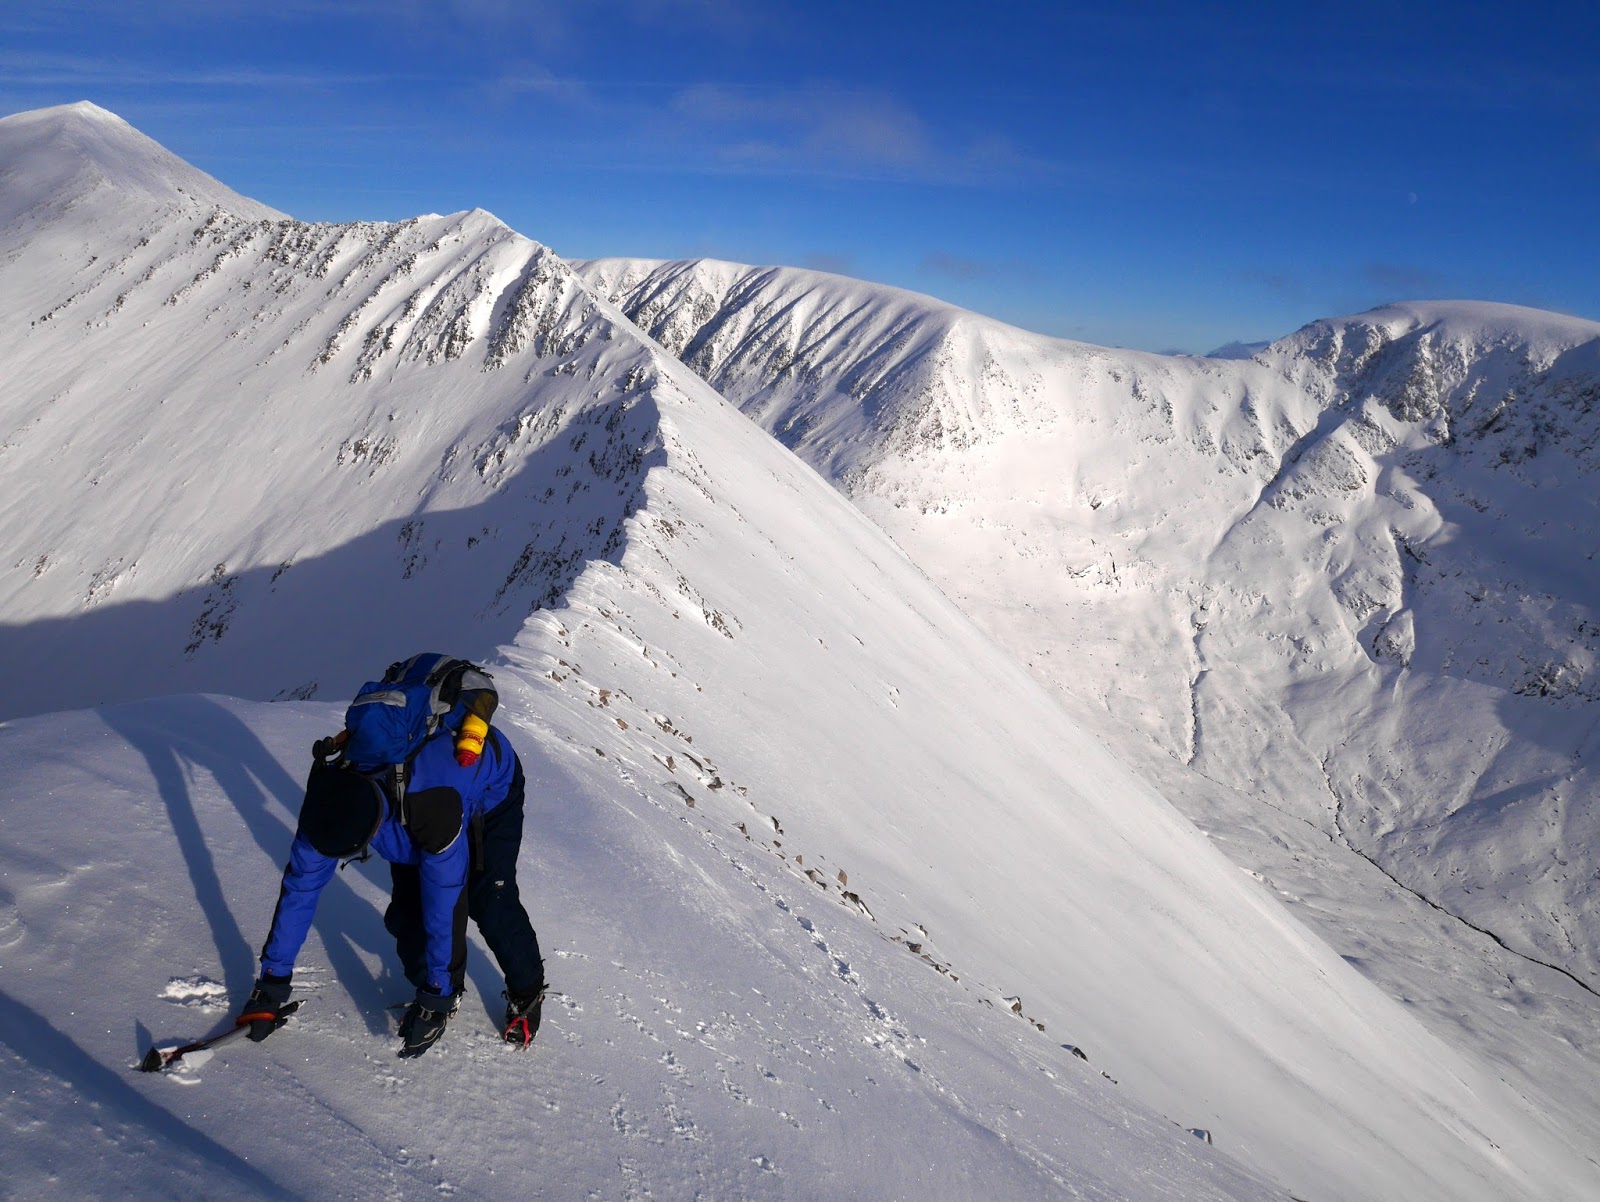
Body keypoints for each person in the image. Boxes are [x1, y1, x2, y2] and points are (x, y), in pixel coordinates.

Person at [236, 655, 547, 1058]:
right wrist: (271, 984)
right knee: (406, 914)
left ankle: (527, 992)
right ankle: (441, 991)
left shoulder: (429, 806)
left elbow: (446, 901)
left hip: (488, 794)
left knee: (488, 899)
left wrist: (434, 1001)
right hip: (410, 806)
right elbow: (300, 889)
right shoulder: (328, 802)